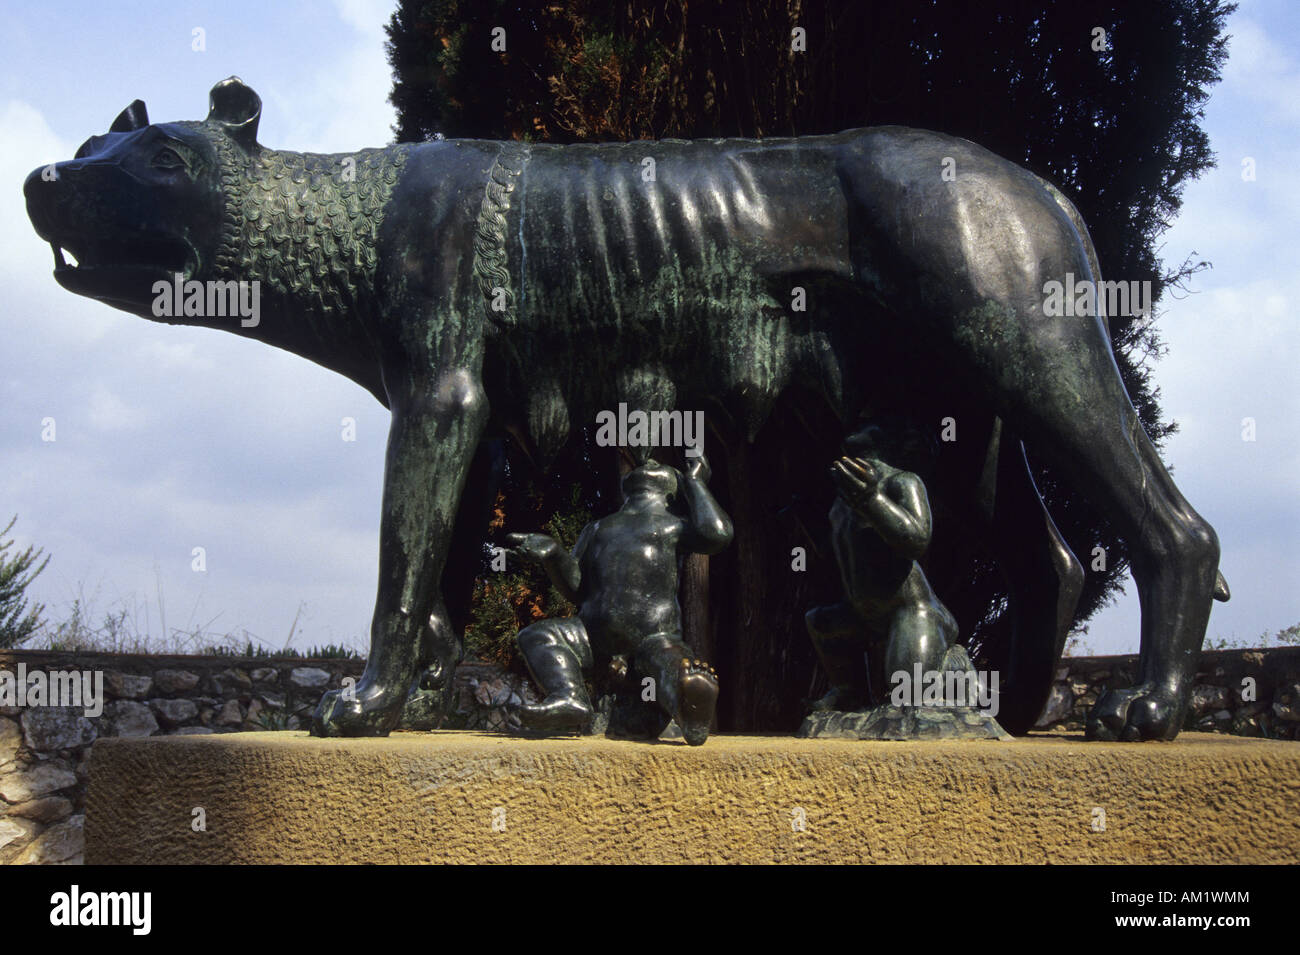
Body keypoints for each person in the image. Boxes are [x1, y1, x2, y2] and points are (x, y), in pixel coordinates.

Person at [504, 452, 732, 745]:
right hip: (590, 632)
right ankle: (569, 696)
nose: (648, 462)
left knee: (672, 666)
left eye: (660, 466)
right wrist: (553, 554)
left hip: (655, 635)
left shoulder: (675, 524)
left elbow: (718, 534)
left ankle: (688, 707)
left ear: (673, 491)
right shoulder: (598, 528)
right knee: (537, 635)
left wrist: (695, 481)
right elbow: (577, 587)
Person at [806, 420, 960, 713]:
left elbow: (917, 538)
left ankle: (953, 664)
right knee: (820, 621)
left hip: (910, 609)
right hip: (861, 611)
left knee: (908, 697)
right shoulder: (843, 495)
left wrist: (873, 499)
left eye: (869, 422)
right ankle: (849, 691)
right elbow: (838, 553)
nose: (855, 424)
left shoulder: (902, 481)